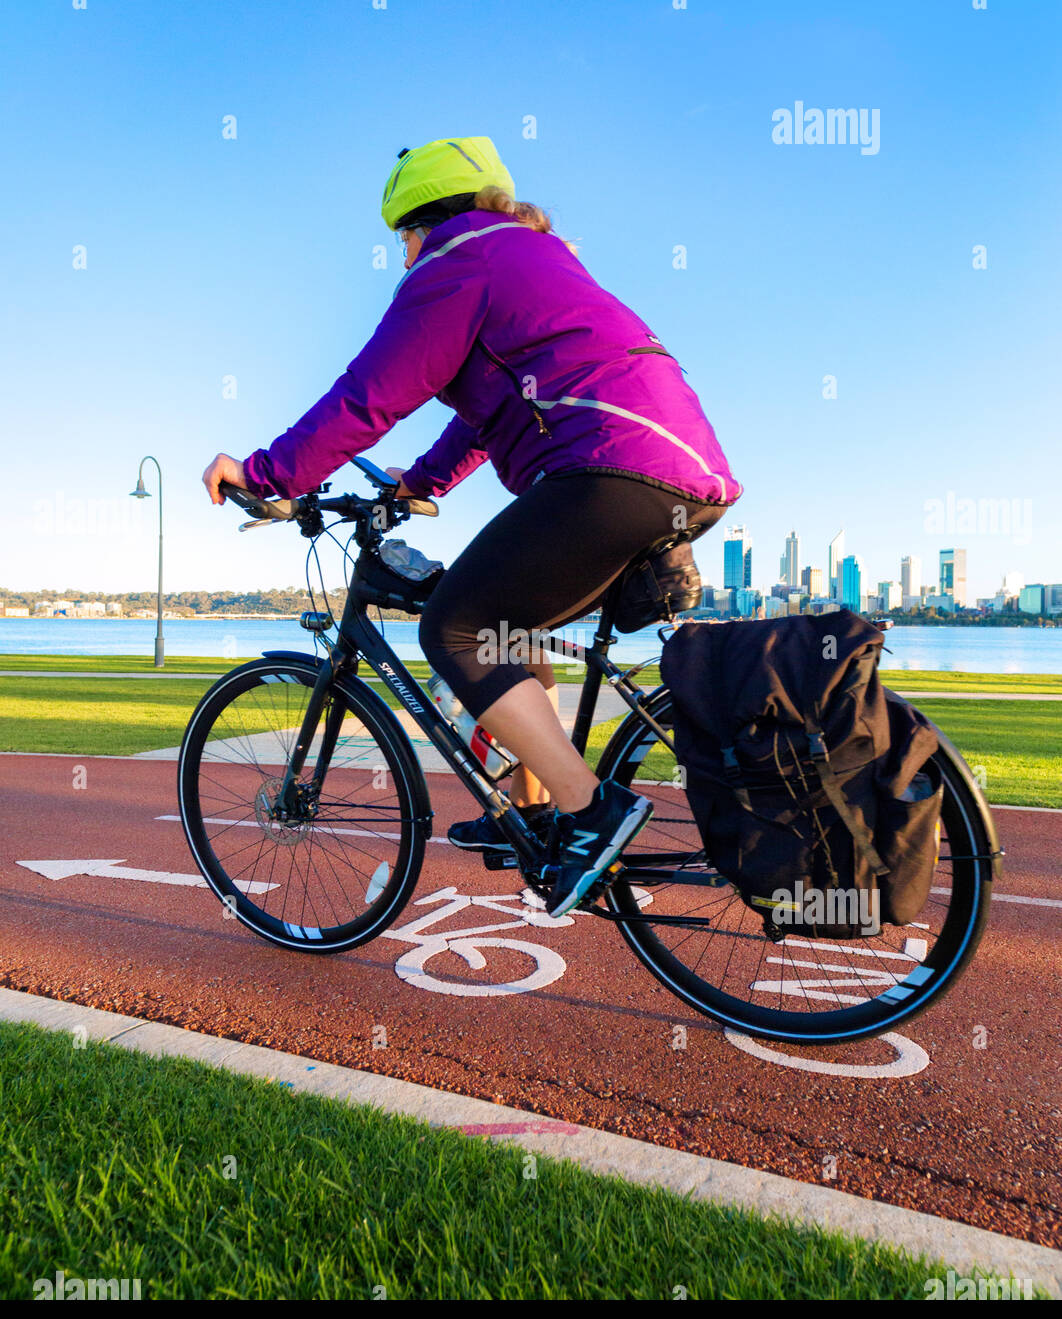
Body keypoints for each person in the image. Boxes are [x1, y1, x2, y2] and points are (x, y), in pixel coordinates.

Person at [202, 136, 741, 917]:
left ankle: (593, 814)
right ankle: (533, 813)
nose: (404, 257)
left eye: (402, 241)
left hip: (607, 473)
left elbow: (369, 395)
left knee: (455, 629)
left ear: (419, 225)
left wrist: (268, 472)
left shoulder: (459, 263)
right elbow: (488, 414)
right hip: (676, 472)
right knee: (506, 633)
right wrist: (419, 484)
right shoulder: (530, 258)